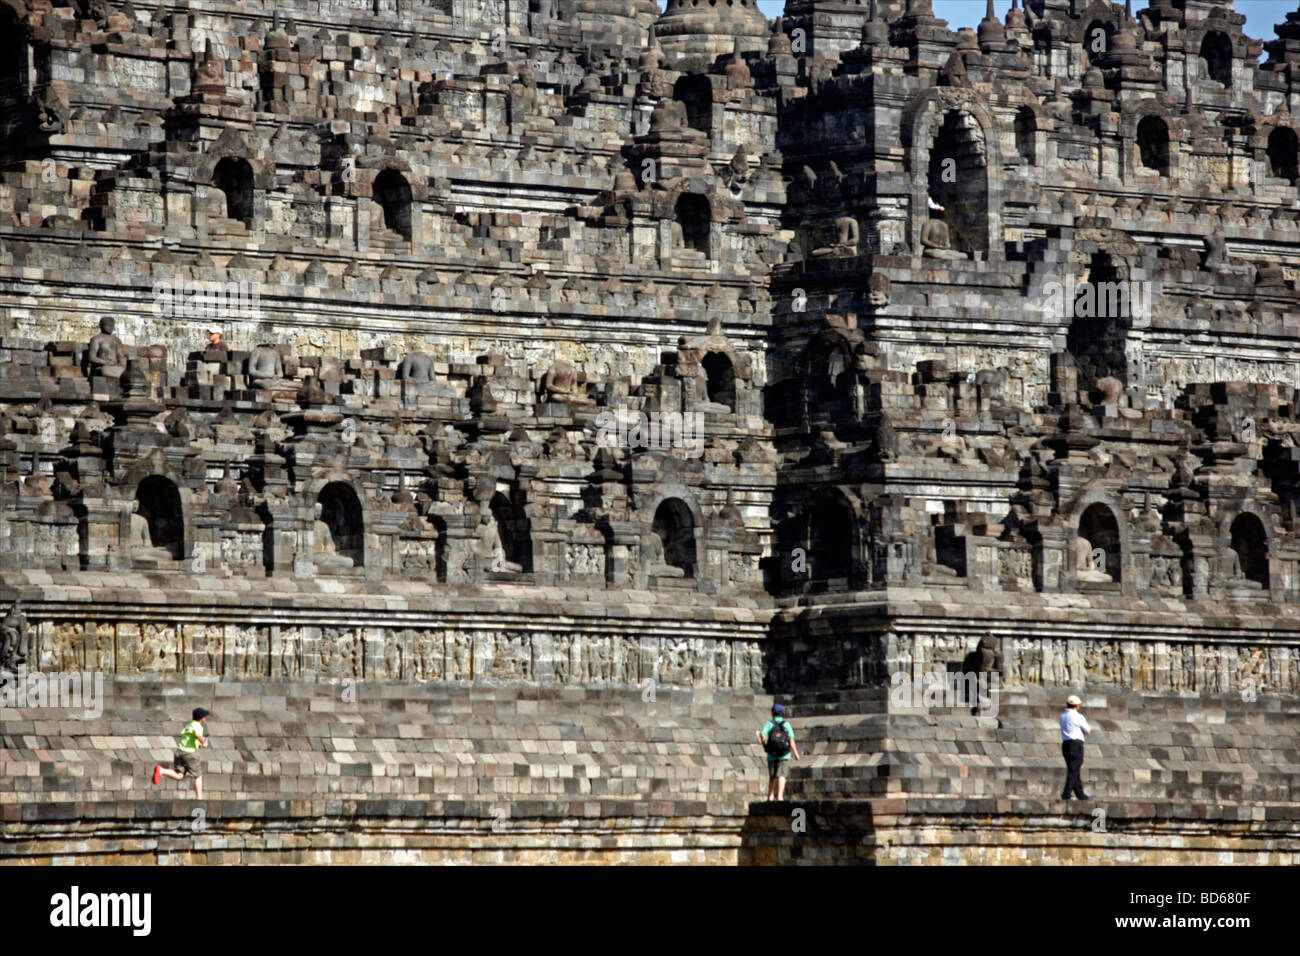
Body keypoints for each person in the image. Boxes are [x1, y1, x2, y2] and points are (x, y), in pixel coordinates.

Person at [152, 707, 211, 799]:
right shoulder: (198, 726)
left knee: (179, 775)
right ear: (201, 718)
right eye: (204, 717)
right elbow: (198, 735)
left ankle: (162, 770)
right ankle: (199, 797)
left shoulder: (189, 725)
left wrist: (199, 743)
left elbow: (189, 738)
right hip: (190, 753)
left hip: (180, 751)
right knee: (198, 775)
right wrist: (203, 743)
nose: (205, 718)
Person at [758, 703, 801, 802]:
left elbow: (762, 734)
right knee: (782, 775)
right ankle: (780, 796)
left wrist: (765, 745)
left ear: (772, 713)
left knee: (772, 776)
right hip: (784, 754)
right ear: (782, 714)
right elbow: (791, 740)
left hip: (771, 754)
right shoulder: (786, 724)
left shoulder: (769, 723)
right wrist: (796, 754)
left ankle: (770, 795)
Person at [1060, 694, 1092, 801]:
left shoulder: (1062, 716)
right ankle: (1066, 793)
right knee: (1074, 770)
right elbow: (1087, 731)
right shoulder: (1078, 716)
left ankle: (1080, 794)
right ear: (1077, 706)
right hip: (1076, 744)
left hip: (1066, 744)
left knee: (1074, 769)